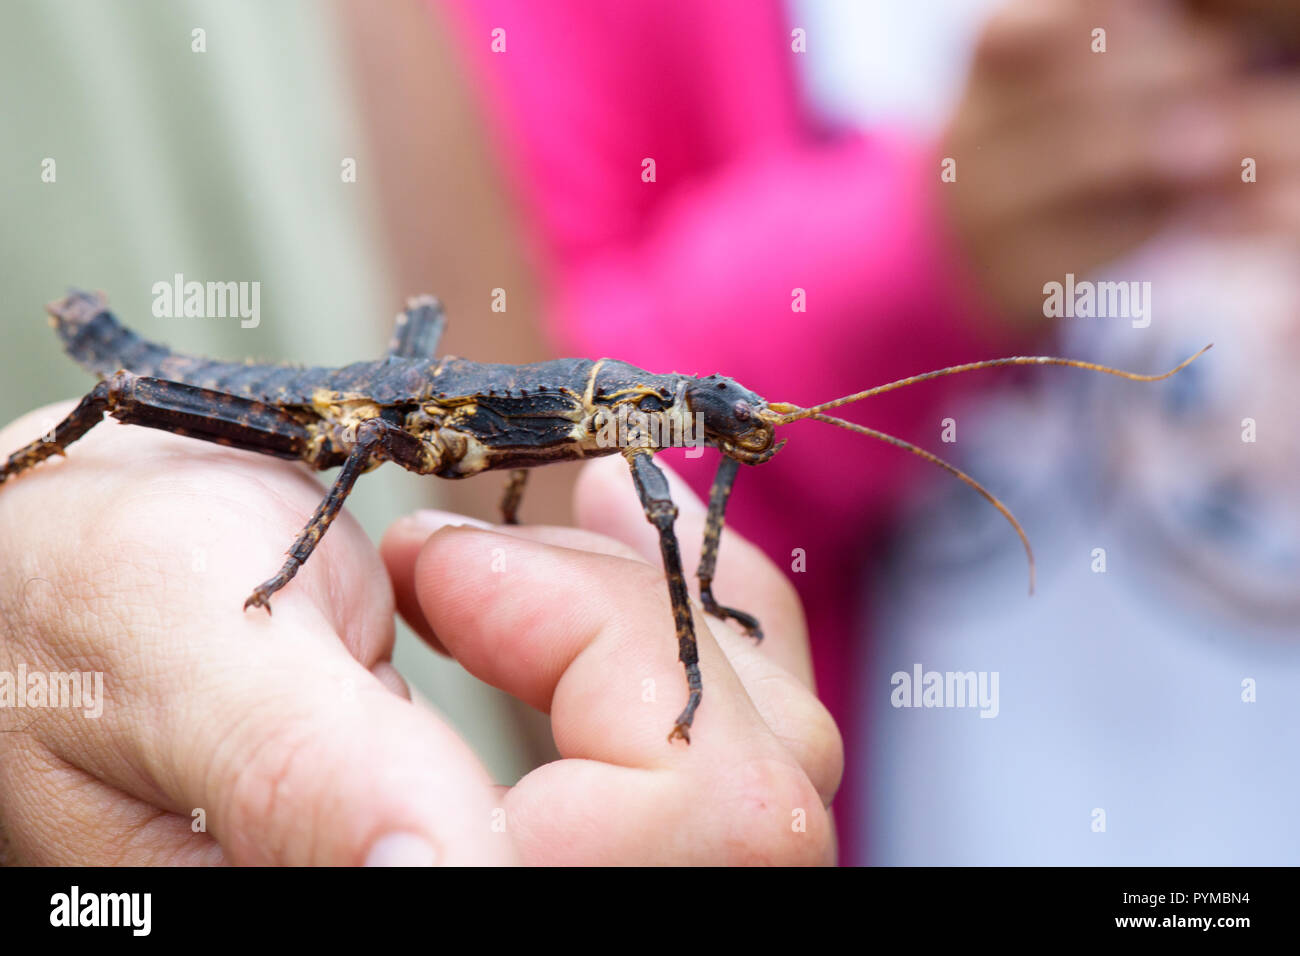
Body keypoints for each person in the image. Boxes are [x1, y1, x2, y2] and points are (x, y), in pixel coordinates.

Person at [0, 404, 839, 864]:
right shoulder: (601, 412)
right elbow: (393, 438)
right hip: (343, 415)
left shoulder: (620, 419)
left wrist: (702, 592)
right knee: (128, 391)